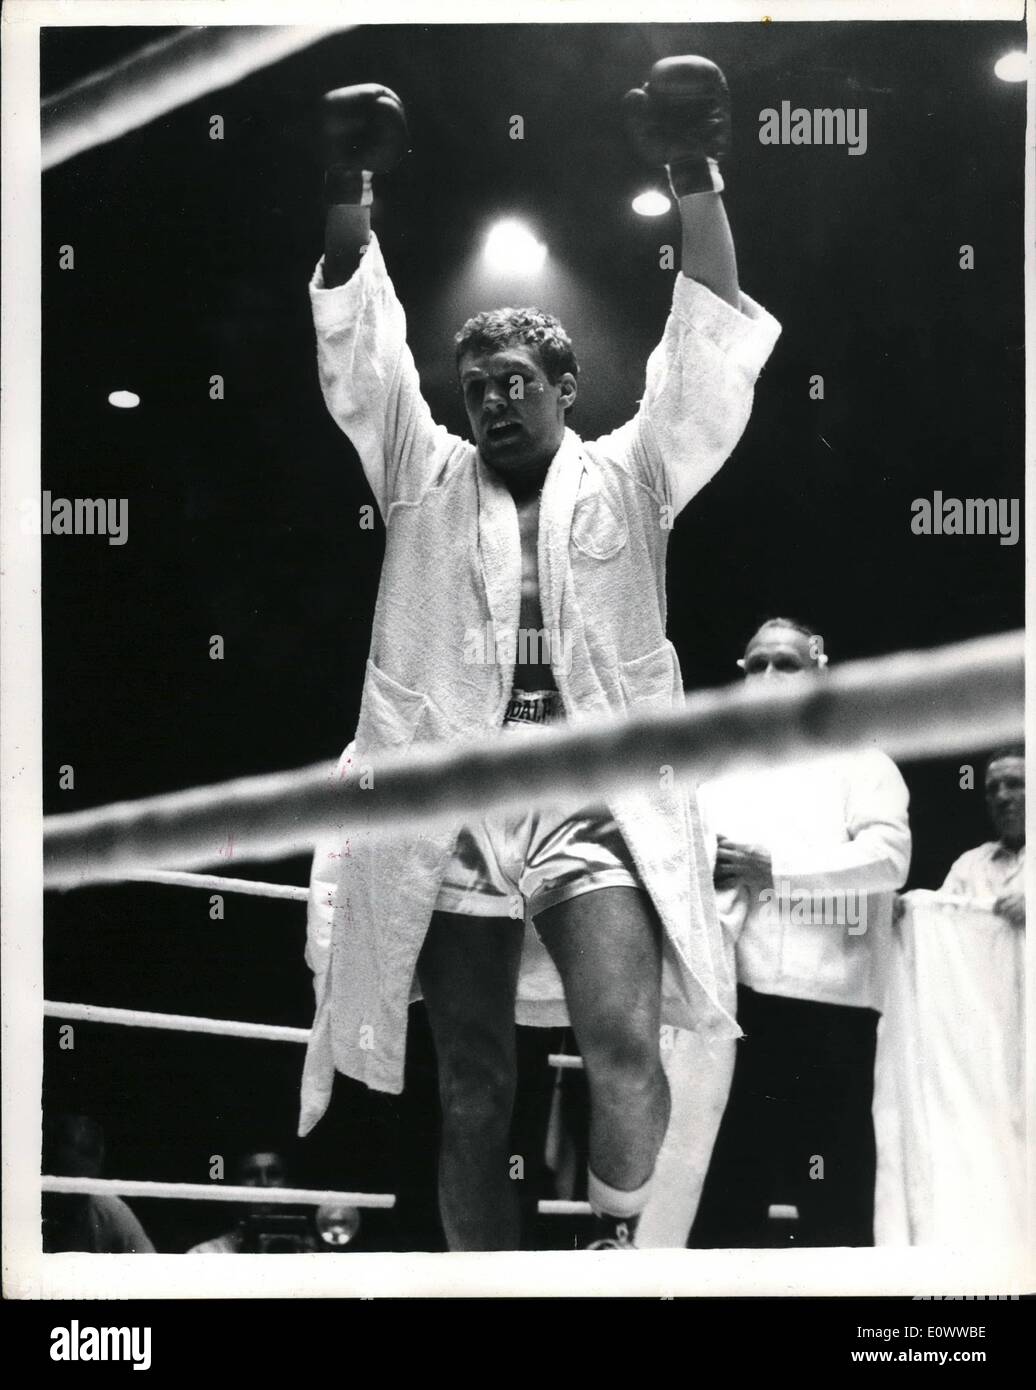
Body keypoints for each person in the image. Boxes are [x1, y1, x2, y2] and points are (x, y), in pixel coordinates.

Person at [298, 58, 781, 1250]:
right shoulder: (423, 471)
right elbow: (364, 352)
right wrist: (347, 182)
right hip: (453, 791)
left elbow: (707, 348)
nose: (492, 403)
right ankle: (487, 1295)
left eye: (514, 383)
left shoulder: (632, 470)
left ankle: (612, 1239)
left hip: (586, 790)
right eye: (475, 389)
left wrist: (692, 171)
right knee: (472, 1085)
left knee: (624, 1048)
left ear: (568, 386)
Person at [669, 619, 912, 1248]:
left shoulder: (864, 761)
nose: (771, 677)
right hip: (735, 1007)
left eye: (788, 663)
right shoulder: (717, 771)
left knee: (836, 1198)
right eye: (758, 665)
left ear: (820, 670)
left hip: (831, 1009)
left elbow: (889, 858)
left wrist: (776, 870)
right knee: (728, 1197)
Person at [42, 1112, 155, 1254]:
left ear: (97, 1169)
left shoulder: (112, 1212)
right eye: (65, 1177)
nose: (70, 1194)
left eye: (81, 1185)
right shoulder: (24, 1209)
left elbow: (151, 1266)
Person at [940, 745, 1024, 925]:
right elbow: (934, 917)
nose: (1002, 796)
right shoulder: (968, 866)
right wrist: (900, 909)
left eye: (1014, 784)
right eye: (993, 789)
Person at [187, 1148, 312, 1253]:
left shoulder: (318, 1251)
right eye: (251, 1174)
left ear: (290, 1184)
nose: (263, 1183)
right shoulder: (208, 1254)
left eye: (274, 1174)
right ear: (235, 1185)